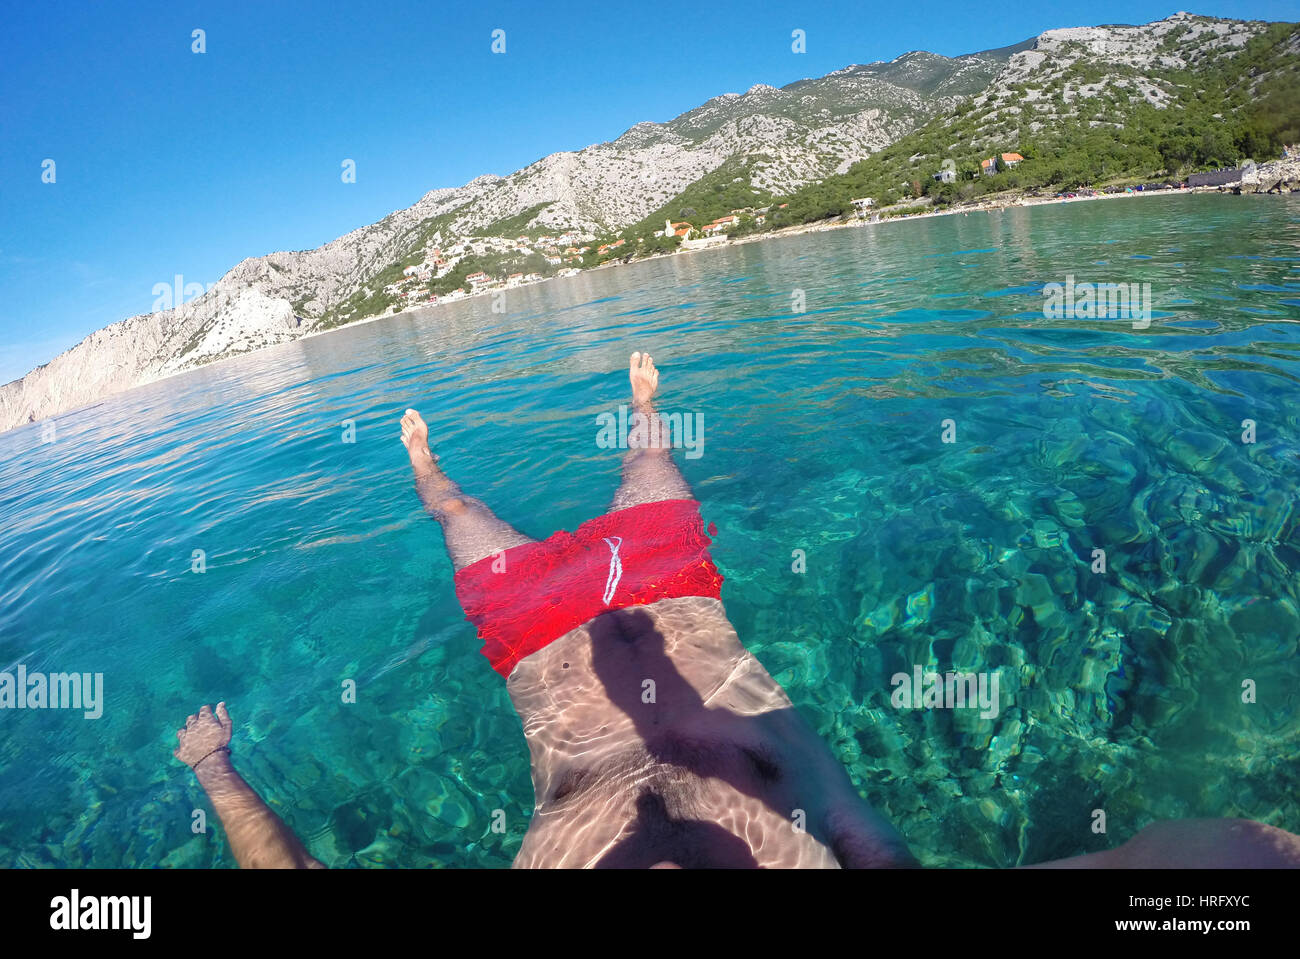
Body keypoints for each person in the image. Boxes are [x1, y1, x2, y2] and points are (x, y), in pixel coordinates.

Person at [175, 353, 1300, 869]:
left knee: (453, 506)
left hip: (532, 631)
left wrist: (219, 773)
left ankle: (424, 458)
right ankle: (644, 406)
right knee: (652, 460)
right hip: (673, 593)